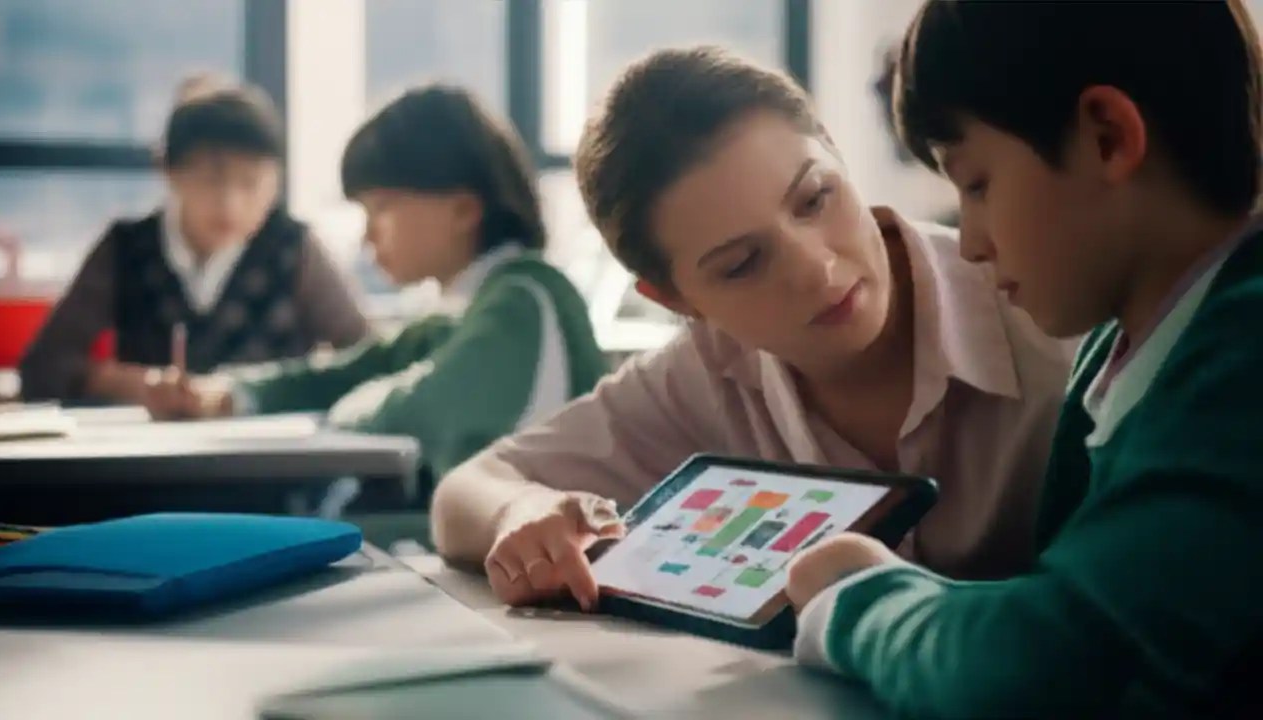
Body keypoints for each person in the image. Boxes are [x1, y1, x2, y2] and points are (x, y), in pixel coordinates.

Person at [429, 47, 1074, 613]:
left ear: (835, 150)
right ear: (677, 300)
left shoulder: (1050, 305)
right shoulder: (703, 374)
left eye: (816, 198)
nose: (818, 268)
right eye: (742, 265)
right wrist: (524, 513)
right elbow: (466, 492)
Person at [784, 1, 1263, 716]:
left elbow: (1036, 670)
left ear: (1106, 137)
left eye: (976, 183)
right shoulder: (1131, 351)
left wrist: (856, 598)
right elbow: (1102, 616)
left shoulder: (1243, 356)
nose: (971, 241)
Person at [144, 84, 607, 482]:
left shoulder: (523, 298)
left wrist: (345, 409)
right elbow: (353, 372)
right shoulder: (458, 309)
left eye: (380, 209)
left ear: (463, 210)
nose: (368, 236)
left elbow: (418, 412)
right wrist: (226, 394)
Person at [20, 79, 368, 404]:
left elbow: (368, 359)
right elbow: (43, 366)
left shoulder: (295, 249)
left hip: (270, 458)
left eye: (250, 183)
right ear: (168, 170)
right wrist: (135, 386)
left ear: (276, 181)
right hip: (150, 455)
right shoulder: (126, 248)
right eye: (211, 180)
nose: (230, 204)